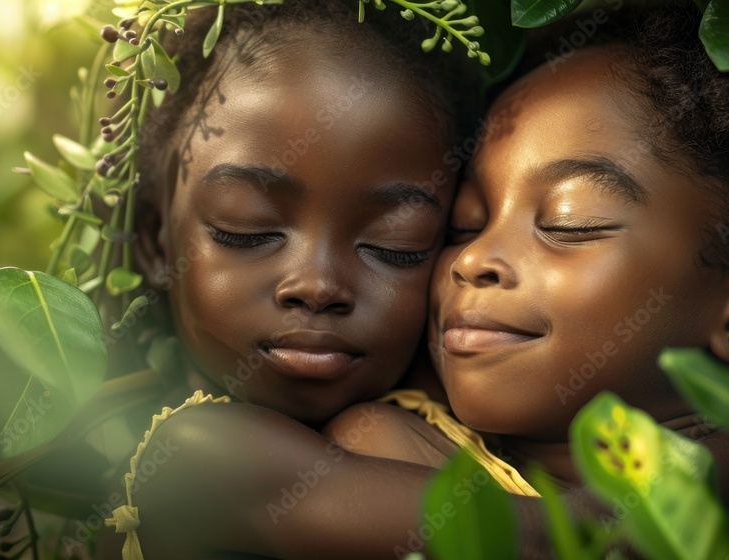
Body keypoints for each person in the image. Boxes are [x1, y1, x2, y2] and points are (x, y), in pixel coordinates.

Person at [100, 4, 729, 559]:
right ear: (154, 240)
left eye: (406, 244)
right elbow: (582, 534)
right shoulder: (322, 448)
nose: (471, 261)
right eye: (463, 230)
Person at [124, 1, 479, 426]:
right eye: (245, 229)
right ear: (154, 240)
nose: (317, 285)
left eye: (396, 244)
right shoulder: (189, 452)